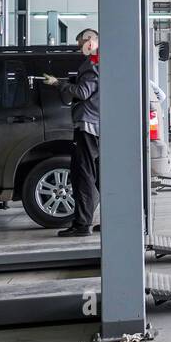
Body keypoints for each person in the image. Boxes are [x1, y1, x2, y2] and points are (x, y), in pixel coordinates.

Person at [44, 28, 100, 237]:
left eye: (80, 44)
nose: (79, 49)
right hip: (102, 124)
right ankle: (114, 218)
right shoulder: (105, 59)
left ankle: (82, 224)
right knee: (102, 175)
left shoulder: (92, 63)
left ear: (90, 41)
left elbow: (83, 93)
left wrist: (59, 84)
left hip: (87, 124)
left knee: (82, 174)